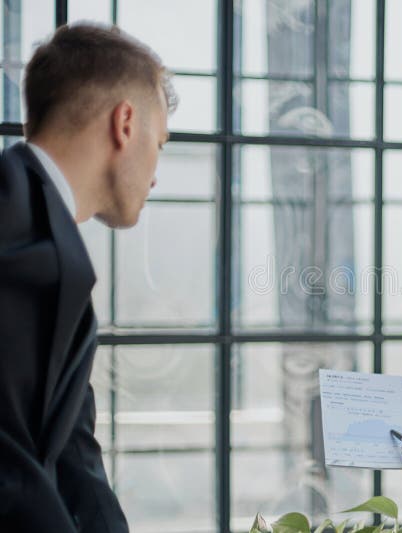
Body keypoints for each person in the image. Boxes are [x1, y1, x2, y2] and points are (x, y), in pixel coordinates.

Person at [0, 23, 175, 532]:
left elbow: (73, 451)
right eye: (160, 143)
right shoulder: (25, 240)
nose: (156, 174)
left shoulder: (37, 220)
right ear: (125, 123)